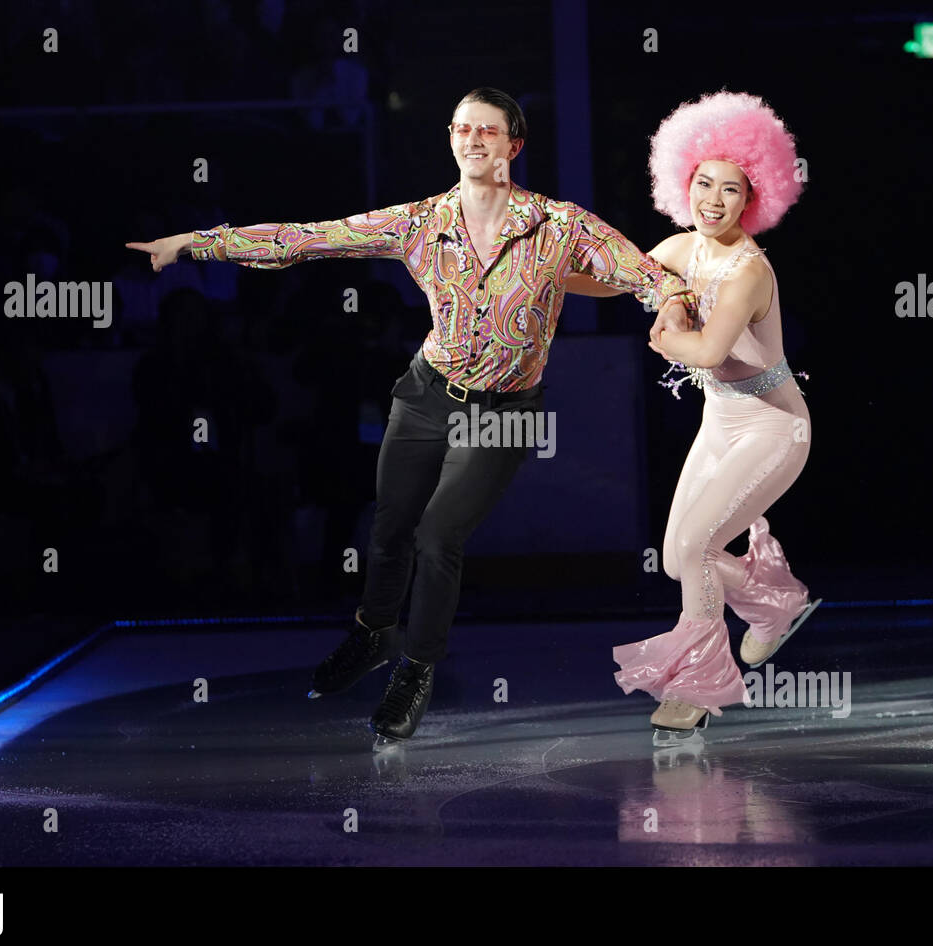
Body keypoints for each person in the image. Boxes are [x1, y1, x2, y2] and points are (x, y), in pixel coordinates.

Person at [126, 87, 696, 746]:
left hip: (504, 411)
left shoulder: (559, 225)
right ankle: (372, 634)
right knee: (390, 527)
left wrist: (675, 303)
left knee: (436, 537)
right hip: (426, 393)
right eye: (461, 128)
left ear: (515, 144)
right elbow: (307, 240)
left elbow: (644, 272)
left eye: (488, 130)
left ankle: (415, 670)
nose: (472, 140)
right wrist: (197, 243)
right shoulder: (423, 221)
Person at [567, 91, 819, 745]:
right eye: (704, 183)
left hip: (773, 425)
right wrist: (546, 273)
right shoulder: (684, 247)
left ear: (754, 197)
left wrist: (669, 328)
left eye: (730, 190)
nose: (713, 199)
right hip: (721, 419)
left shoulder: (746, 273)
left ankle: (696, 688)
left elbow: (705, 350)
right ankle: (774, 601)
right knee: (682, 560)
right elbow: (621, 277)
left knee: (701, 550)